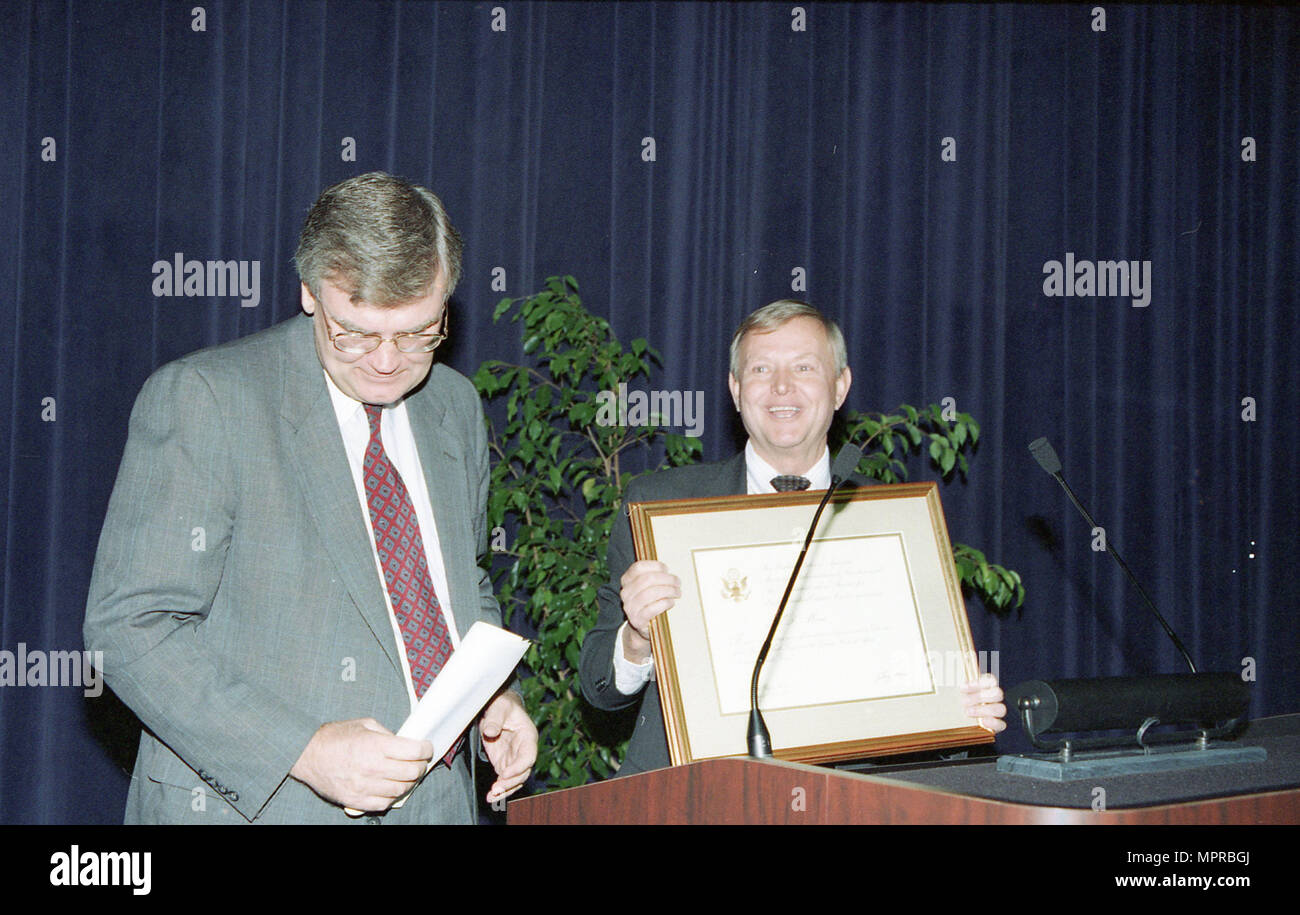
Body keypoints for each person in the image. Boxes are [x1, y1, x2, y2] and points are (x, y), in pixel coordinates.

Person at [84, 172, 536, 823]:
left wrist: (492, 696)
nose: (386, 361)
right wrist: (305, 749)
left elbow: (455, 581)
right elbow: (127, 629)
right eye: (354, 332)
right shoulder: (208, 400)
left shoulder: (455, 407)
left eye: (416, 333)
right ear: (308, 292)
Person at [579, 300, 1005, 776]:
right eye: (761, 369)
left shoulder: (893, 525)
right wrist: (637, 641)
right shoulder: (661, 508)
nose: (782, 387)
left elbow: (921, 702)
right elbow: (599, 686)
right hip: (693, 793)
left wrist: (961, 713)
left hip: (851, 797)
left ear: (840, 386)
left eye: (804, 367)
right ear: (736, 390)